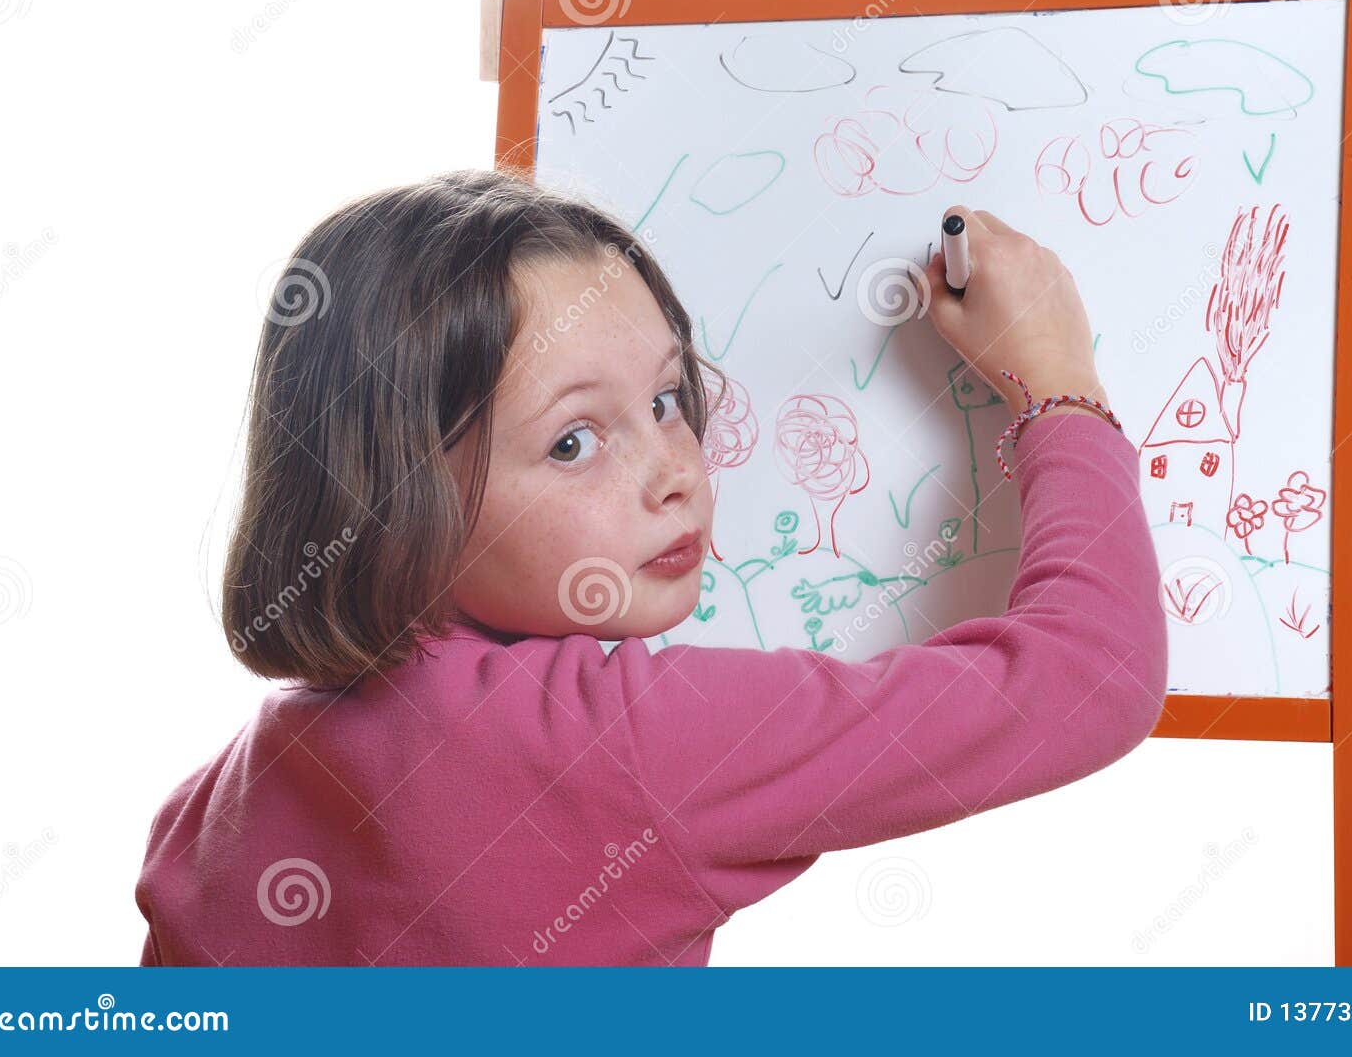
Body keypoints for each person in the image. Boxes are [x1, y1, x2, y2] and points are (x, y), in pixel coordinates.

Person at [134, 169, 1167, 965]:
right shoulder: (618, 743)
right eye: (574, 441)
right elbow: (1090, 677)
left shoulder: (225, 794)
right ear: (395, 496)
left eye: (669, 399)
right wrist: (1057, 384)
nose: (674, 470)